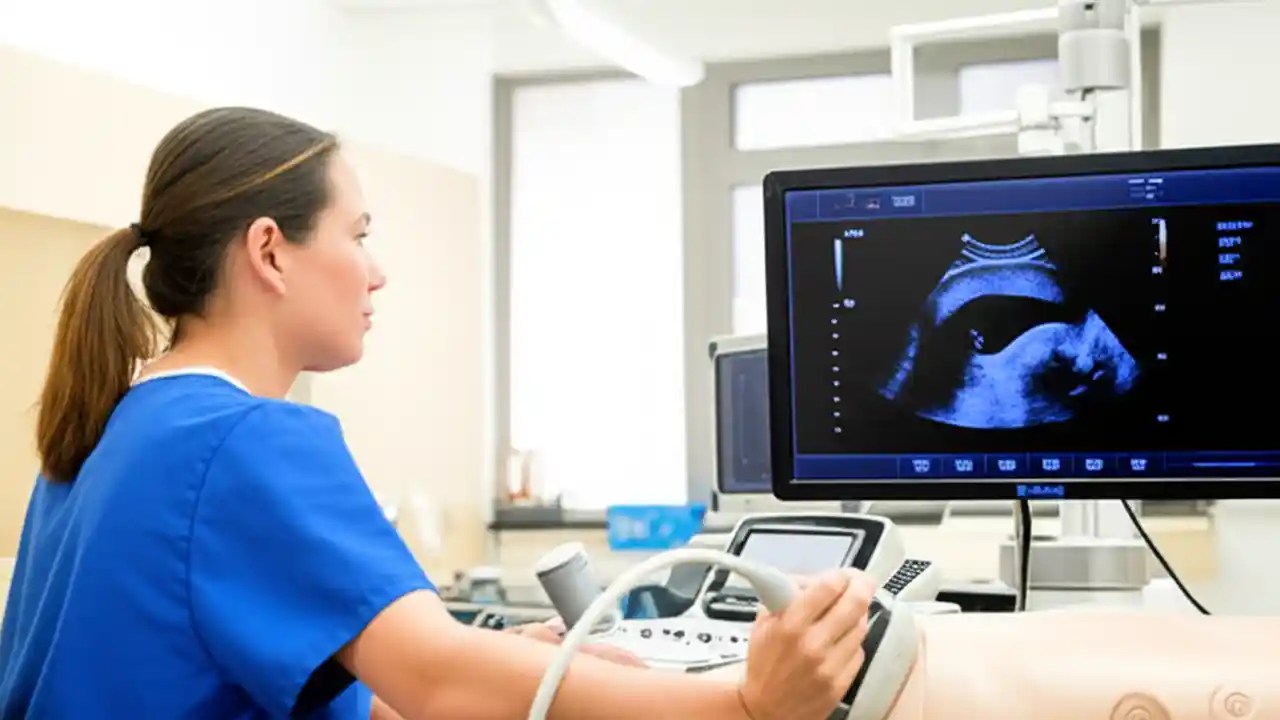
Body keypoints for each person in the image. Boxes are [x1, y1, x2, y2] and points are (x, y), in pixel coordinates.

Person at [0, 106, 876, 720]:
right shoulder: (246, 438)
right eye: (359, 234)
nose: (375, 272)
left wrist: (524, 663)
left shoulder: (106, 428)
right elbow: (439, 680)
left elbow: (234, 683)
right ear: (269, 250)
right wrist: (745, 705)